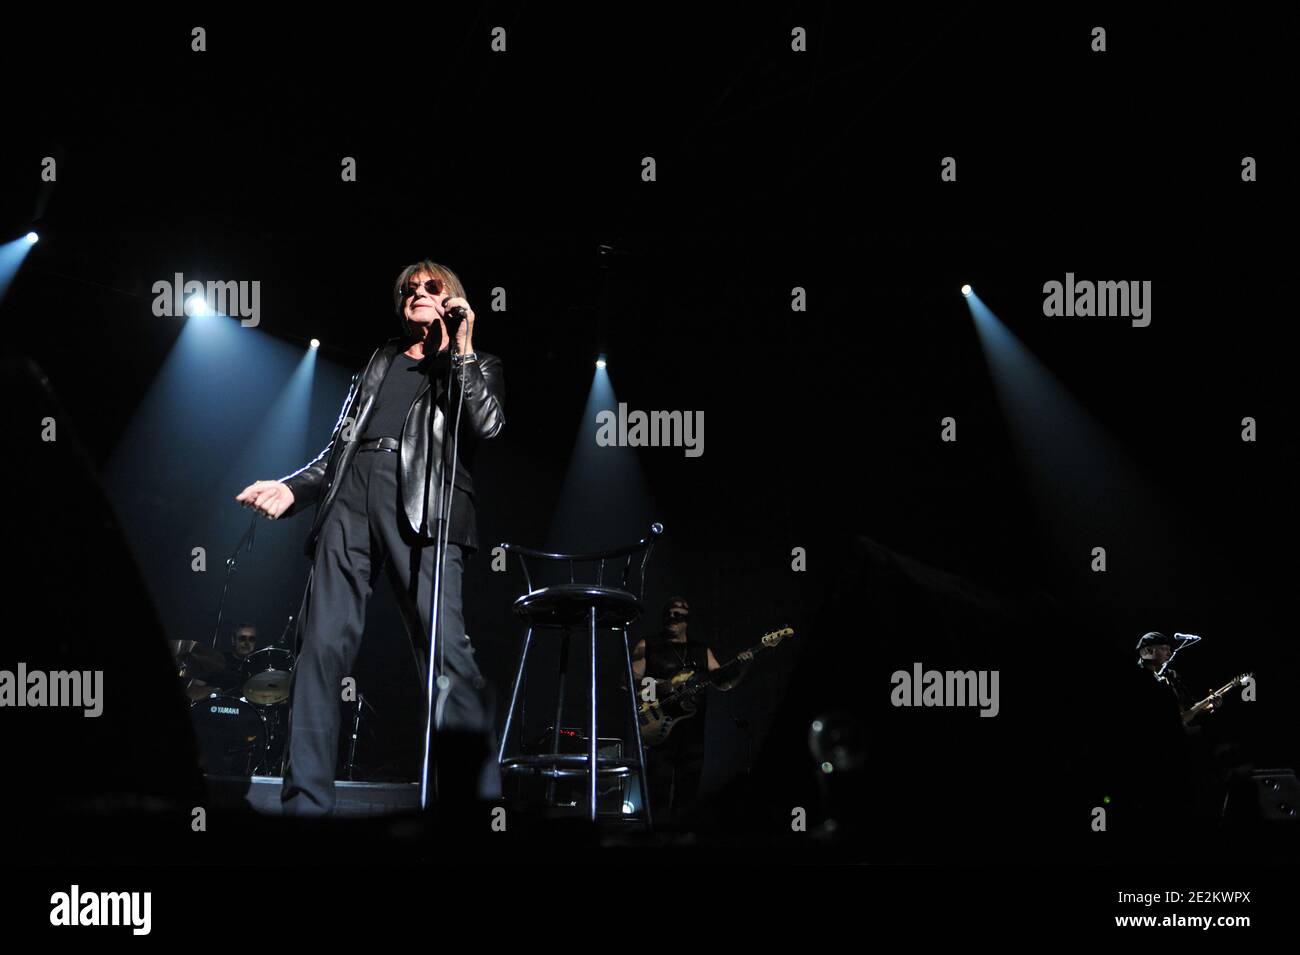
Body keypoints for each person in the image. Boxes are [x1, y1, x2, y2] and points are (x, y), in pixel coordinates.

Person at [235, 259, 505, 815]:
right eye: (409, 290)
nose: (417, 294)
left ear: (454, 297)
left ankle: (473, 804)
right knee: (318, 649)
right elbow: (340, 446)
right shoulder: (381, 360)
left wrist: (464, 347)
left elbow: (488, 425)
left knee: (446, 653)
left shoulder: (474, 364)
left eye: (431, 287)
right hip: (350, 496)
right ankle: (305, 801)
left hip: (427, 507)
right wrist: (294, 489)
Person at [630, 596, 751, 822]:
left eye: (678, 614)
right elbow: (629, 681)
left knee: (687, 799)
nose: (672, 618)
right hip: (659, 731)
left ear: (687, 620)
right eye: (668, 613)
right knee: (658, 796)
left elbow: (722, 682)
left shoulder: (700, 649)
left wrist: (743, 667)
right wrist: (663, 686)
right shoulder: (648, 645)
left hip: (692, 734)